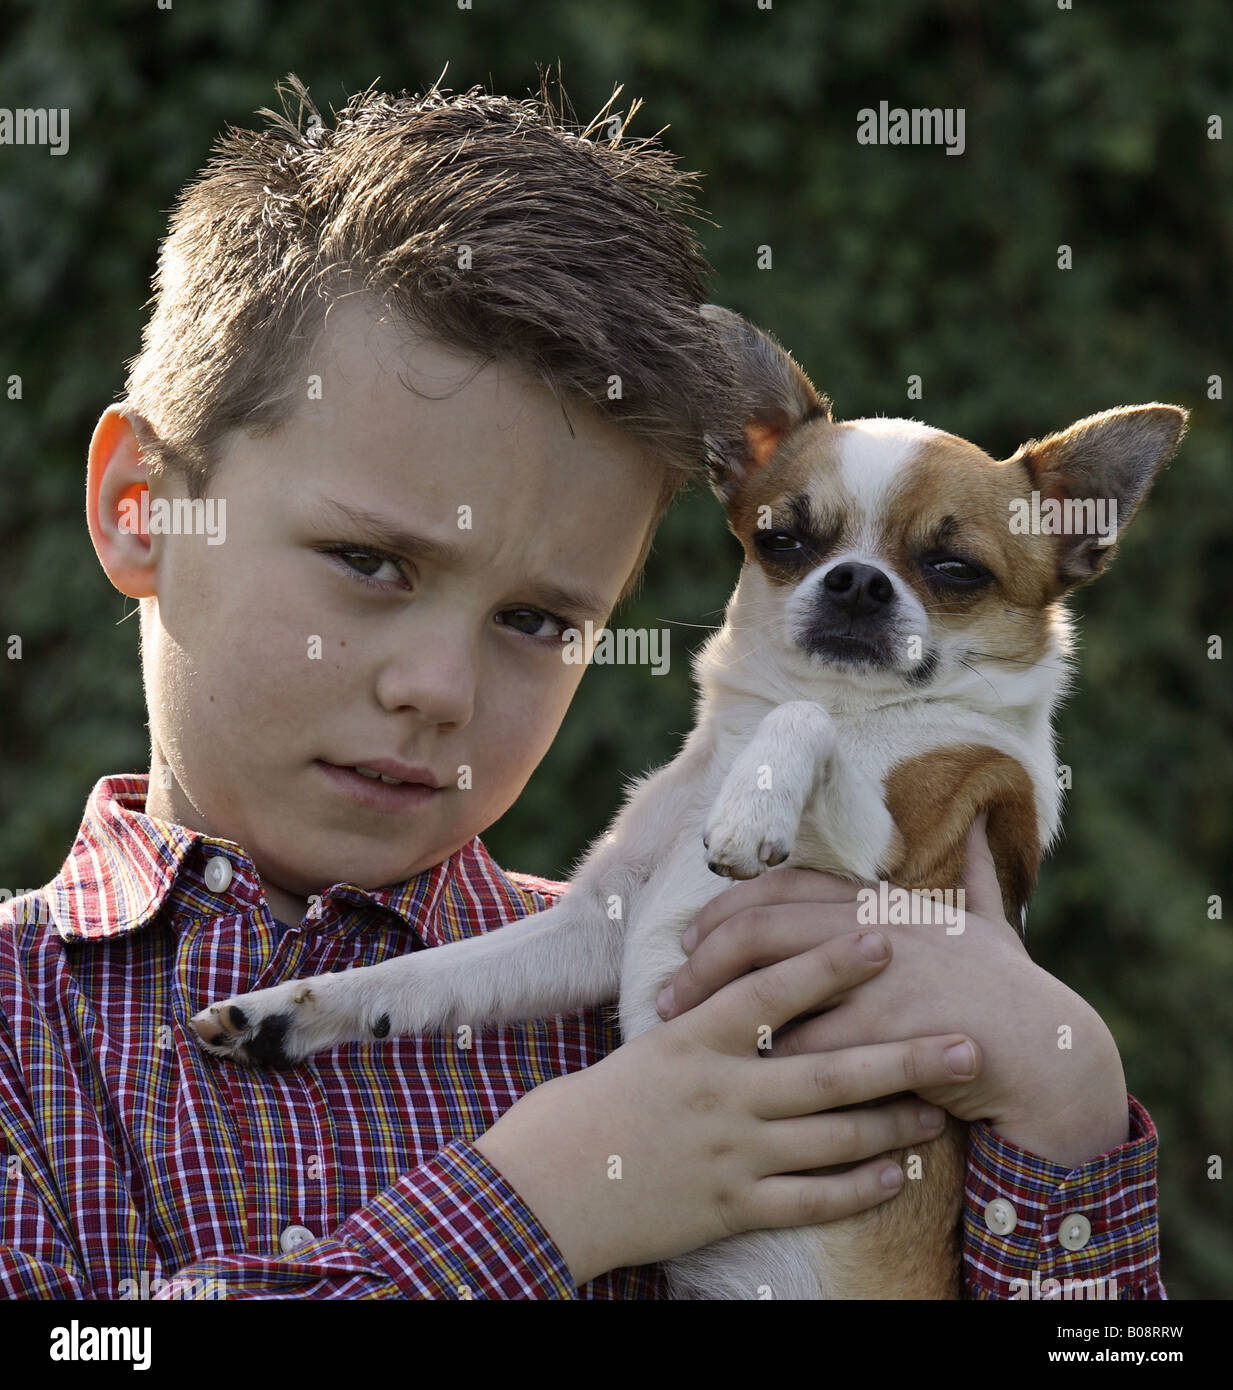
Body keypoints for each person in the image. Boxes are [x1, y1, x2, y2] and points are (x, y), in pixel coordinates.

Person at [0, 74, 1162, 1300]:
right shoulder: (26, 1036)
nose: (436, 687)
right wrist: (554, 1196)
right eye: (370, 562)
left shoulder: (719, 953)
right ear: (147, 510)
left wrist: (1063, 1088)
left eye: (538, 619)